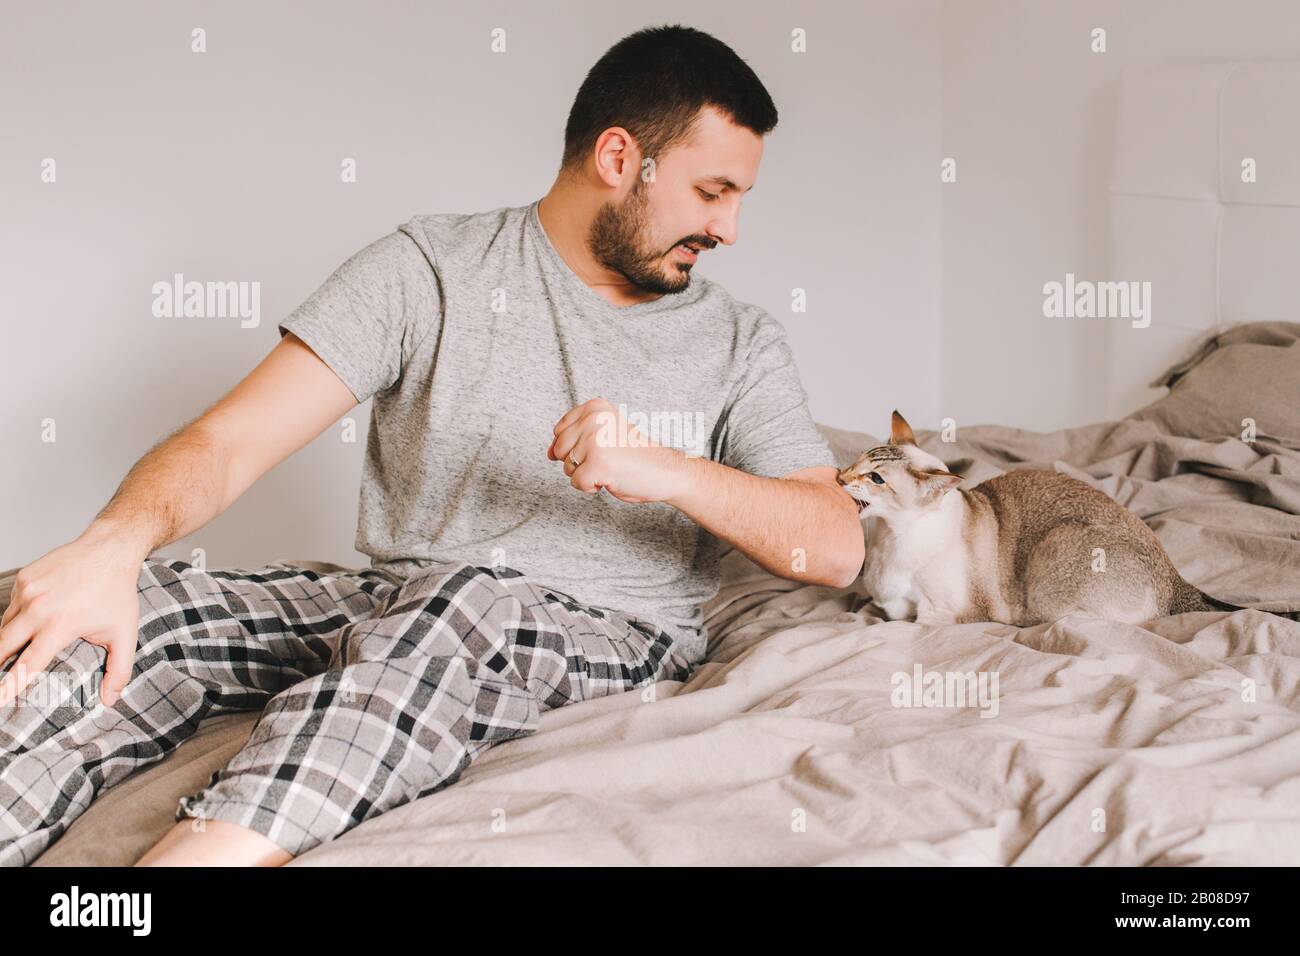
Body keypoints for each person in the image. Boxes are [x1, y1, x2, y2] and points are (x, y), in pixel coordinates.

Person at [0, 24, 863, 866]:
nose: (732, 229)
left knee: (464, 601)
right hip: (393, 601)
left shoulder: (740, 341)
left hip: (609, 632)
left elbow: (832, 544)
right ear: (618, 159)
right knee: (134, 612)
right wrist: (109, 549)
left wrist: (669, 470)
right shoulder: (431, 269)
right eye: (714, 192)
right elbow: (225, 443)